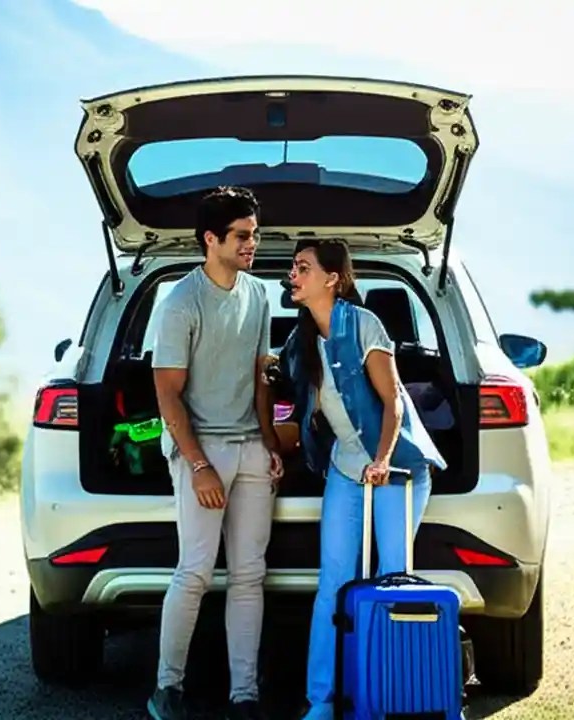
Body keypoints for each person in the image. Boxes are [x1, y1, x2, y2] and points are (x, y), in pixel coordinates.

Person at [278, 239, 447, 719]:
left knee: (391, 578)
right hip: (346, 468)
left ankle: (387, 695)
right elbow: (293, 407)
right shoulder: (299, 343)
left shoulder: (365, 324)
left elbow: (394, 402)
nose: (293, 275)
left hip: (397, 467)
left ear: (332, 279)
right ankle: (323, 700)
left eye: (303, 267)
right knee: (334, 580)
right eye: (294, 267)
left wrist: (383, 459)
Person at [147, 186, 283, 720]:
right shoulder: (181, 302)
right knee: (196, 572)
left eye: (255, 234)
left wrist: (270, 442)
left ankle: (244, 696)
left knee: (249, 575)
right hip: (201, 452)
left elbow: (260, 374)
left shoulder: (259, 294)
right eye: (242, 236)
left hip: (251, 449)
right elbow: (167, 393)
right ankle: (167, 688)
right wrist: (199, 464)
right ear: (211, 239)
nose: (253, 244)